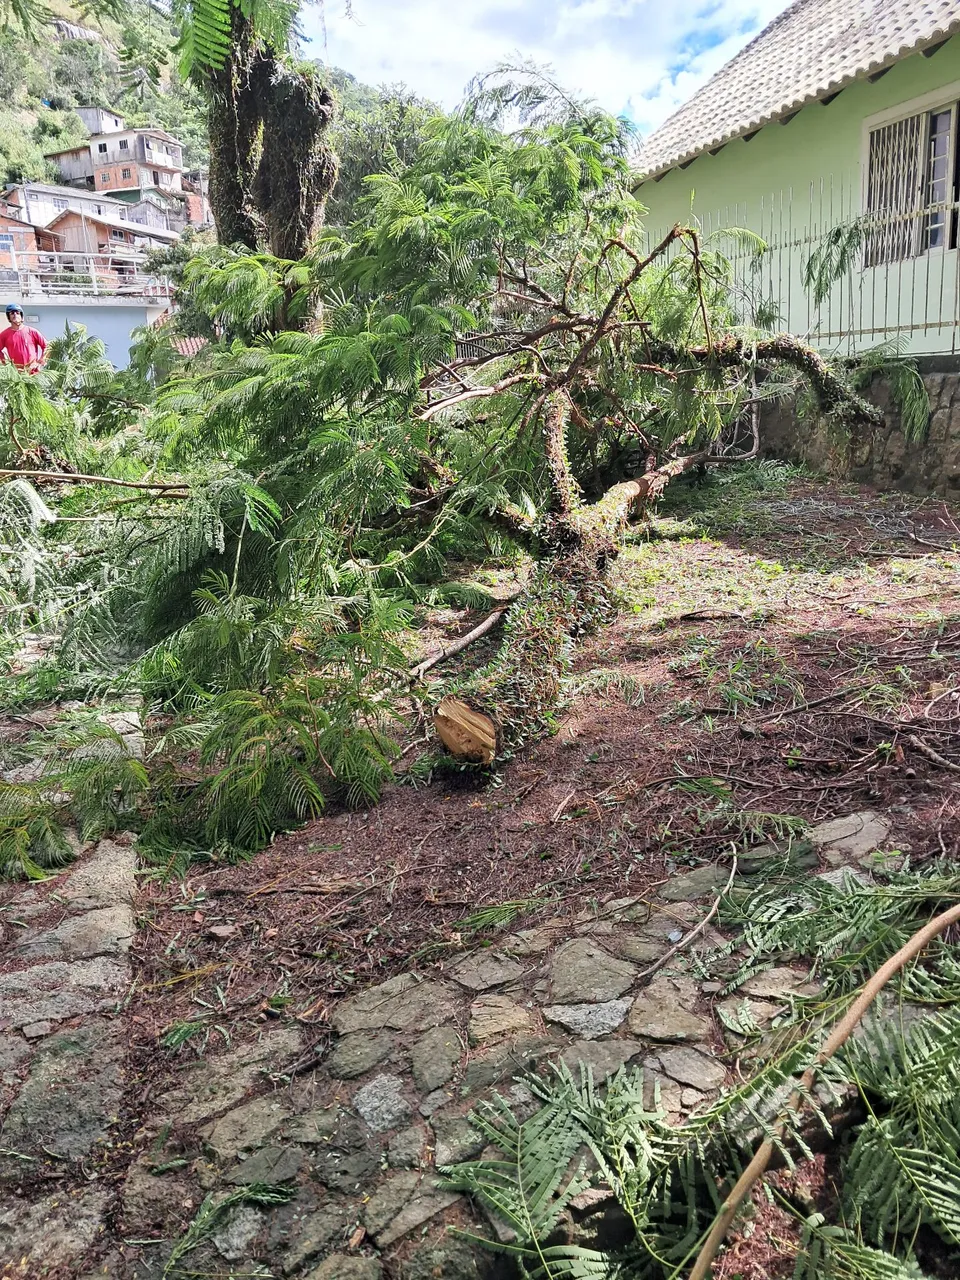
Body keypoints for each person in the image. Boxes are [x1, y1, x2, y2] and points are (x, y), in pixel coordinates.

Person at [0, 304, 47, 372]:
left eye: (18, 313)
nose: (15, 315)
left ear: (21, 316)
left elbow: (47, 346)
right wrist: (5, 363)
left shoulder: (32, 332)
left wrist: (41, 361)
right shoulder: (4, 335)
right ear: (8, 317)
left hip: (33, 372)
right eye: (12, 313)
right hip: (16, 373)